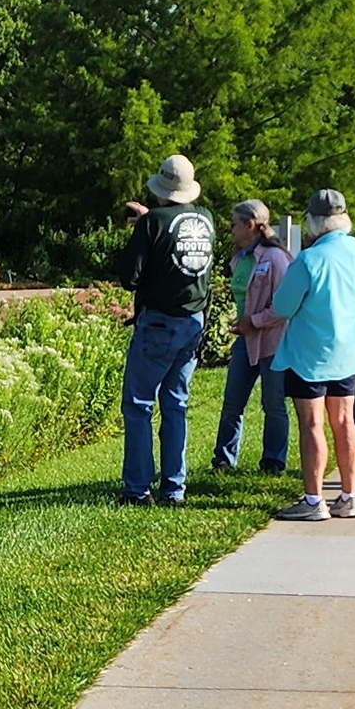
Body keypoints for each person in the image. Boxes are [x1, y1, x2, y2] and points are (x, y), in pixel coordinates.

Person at [116, 155, 216, 506]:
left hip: (159, 322)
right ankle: (174, 489)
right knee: (175, 405)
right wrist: (151, 222)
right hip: (193, 321)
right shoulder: (205, 218)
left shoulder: (152, 223)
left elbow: (129, 277)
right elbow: (176, 236)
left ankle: (138, 489)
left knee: (138, 405)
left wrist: (142, 229)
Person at [269, 189, 355, 521]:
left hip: (309, 354)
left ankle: (314, 500)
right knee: (345, 421)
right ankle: (349, 496)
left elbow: (282, 307)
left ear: (313, 221)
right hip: (348, 350)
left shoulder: (308, 259)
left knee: (312, 423)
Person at [212, 200, 292, 474]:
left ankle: (273, 462)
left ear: (250, 225)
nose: (230, 230)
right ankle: (224, 459)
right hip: (245, 341)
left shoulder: (276, 258)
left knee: (273, 404)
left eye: (233, 224)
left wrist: (254, 322)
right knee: (232, 402)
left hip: (273, 342)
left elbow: (285, 306)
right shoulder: (240, 258)